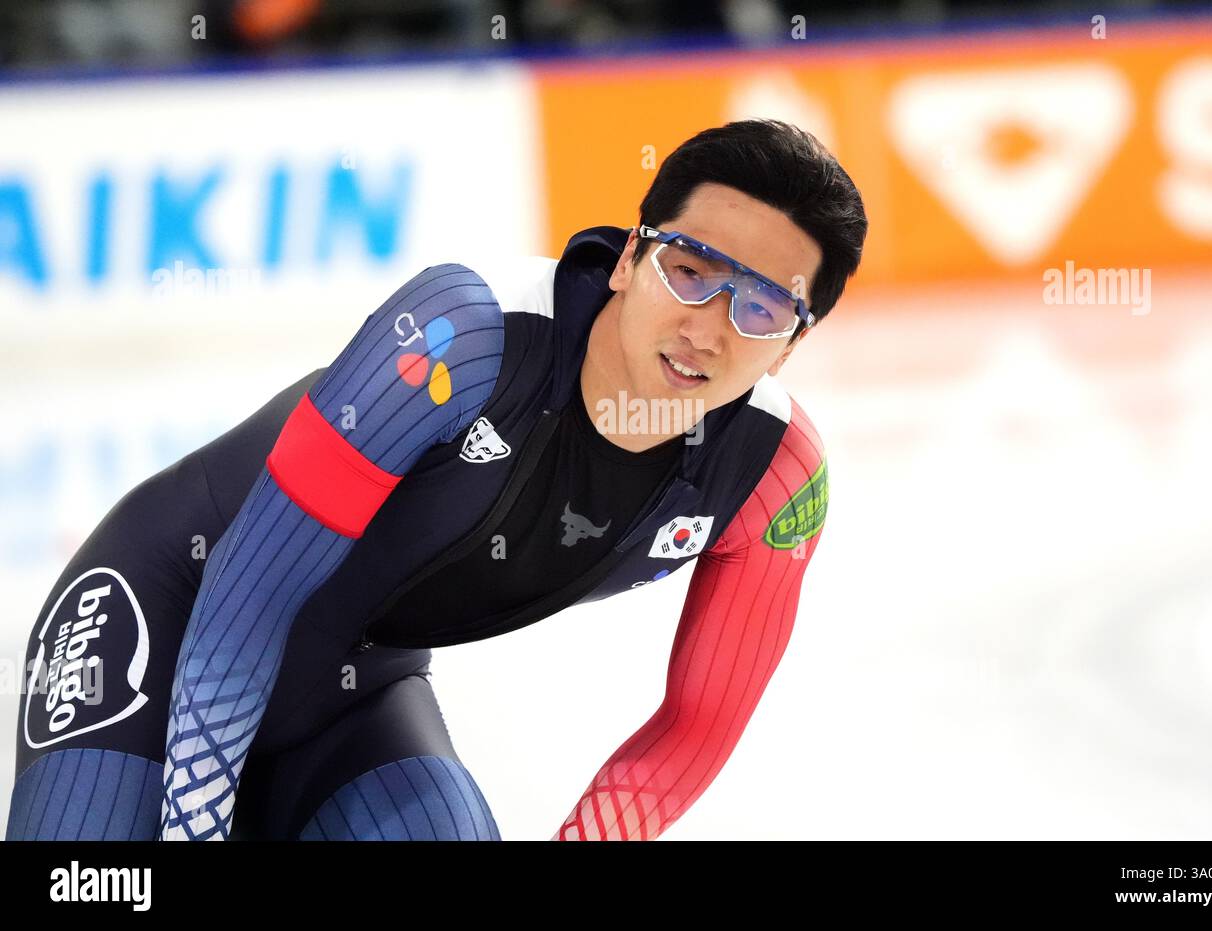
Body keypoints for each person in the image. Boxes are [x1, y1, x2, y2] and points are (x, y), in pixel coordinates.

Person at [6, 118, 866, 841]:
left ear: (791, 344)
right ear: (630, 256)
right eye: (691, 271)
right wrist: (197, 823)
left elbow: (695, 726)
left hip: (357, 692)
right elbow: (250, 589)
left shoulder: (773, 479)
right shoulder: (460, 334)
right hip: (166, 616)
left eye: (759, 307)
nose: (708, 329)